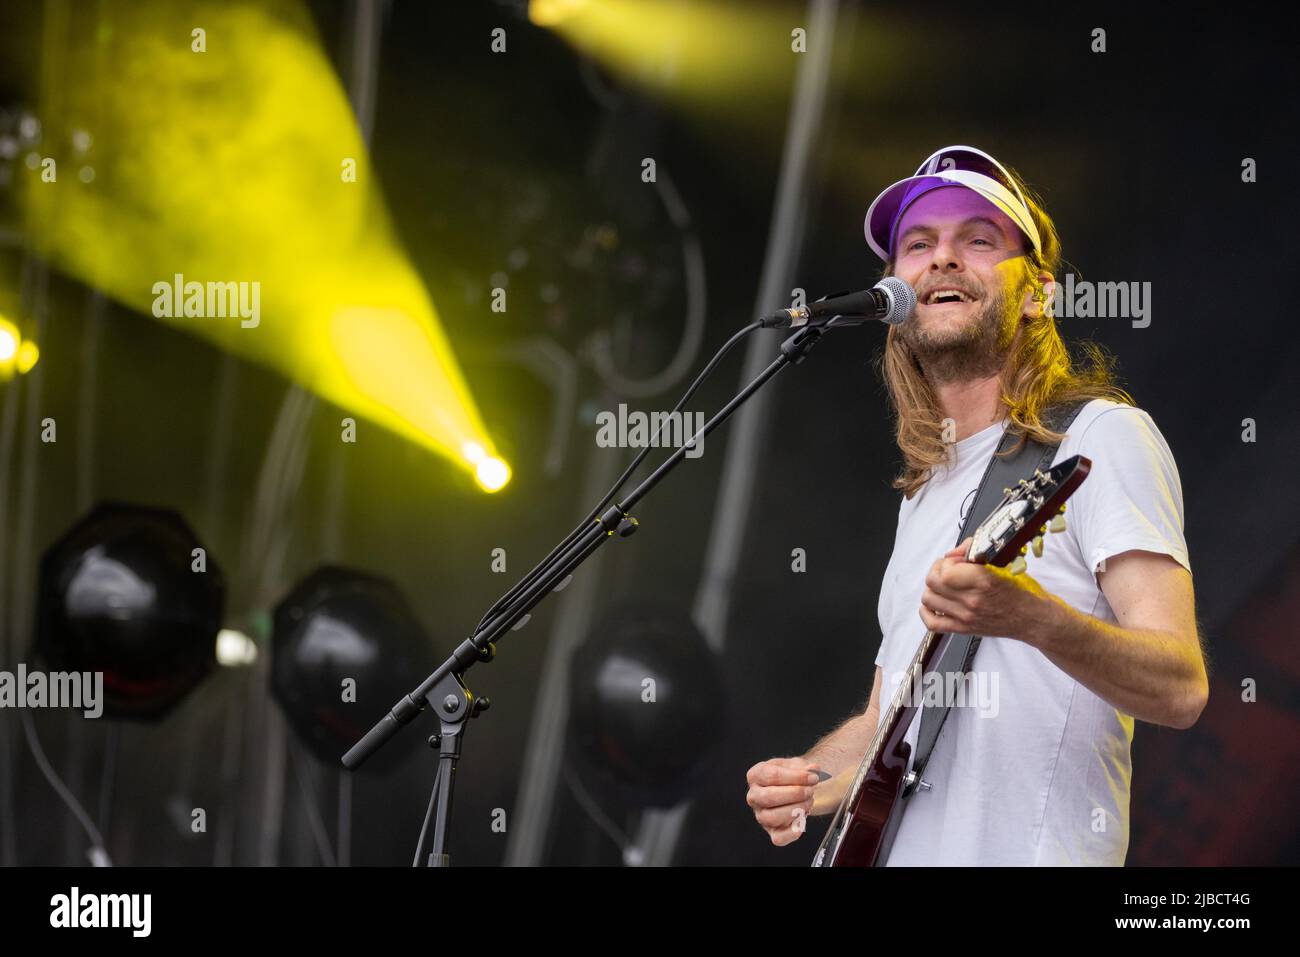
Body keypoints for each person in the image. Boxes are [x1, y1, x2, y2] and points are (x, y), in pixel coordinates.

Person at [745, 146, 1207, 865]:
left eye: (978, 240)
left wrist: (1032, 618)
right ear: (895, 290)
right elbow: (886, 716)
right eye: (919, 244)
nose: (942, 258)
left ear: (1037, 293)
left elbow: (1182, 686)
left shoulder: (1100, 438)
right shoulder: (924, 491)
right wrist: (811, 778)